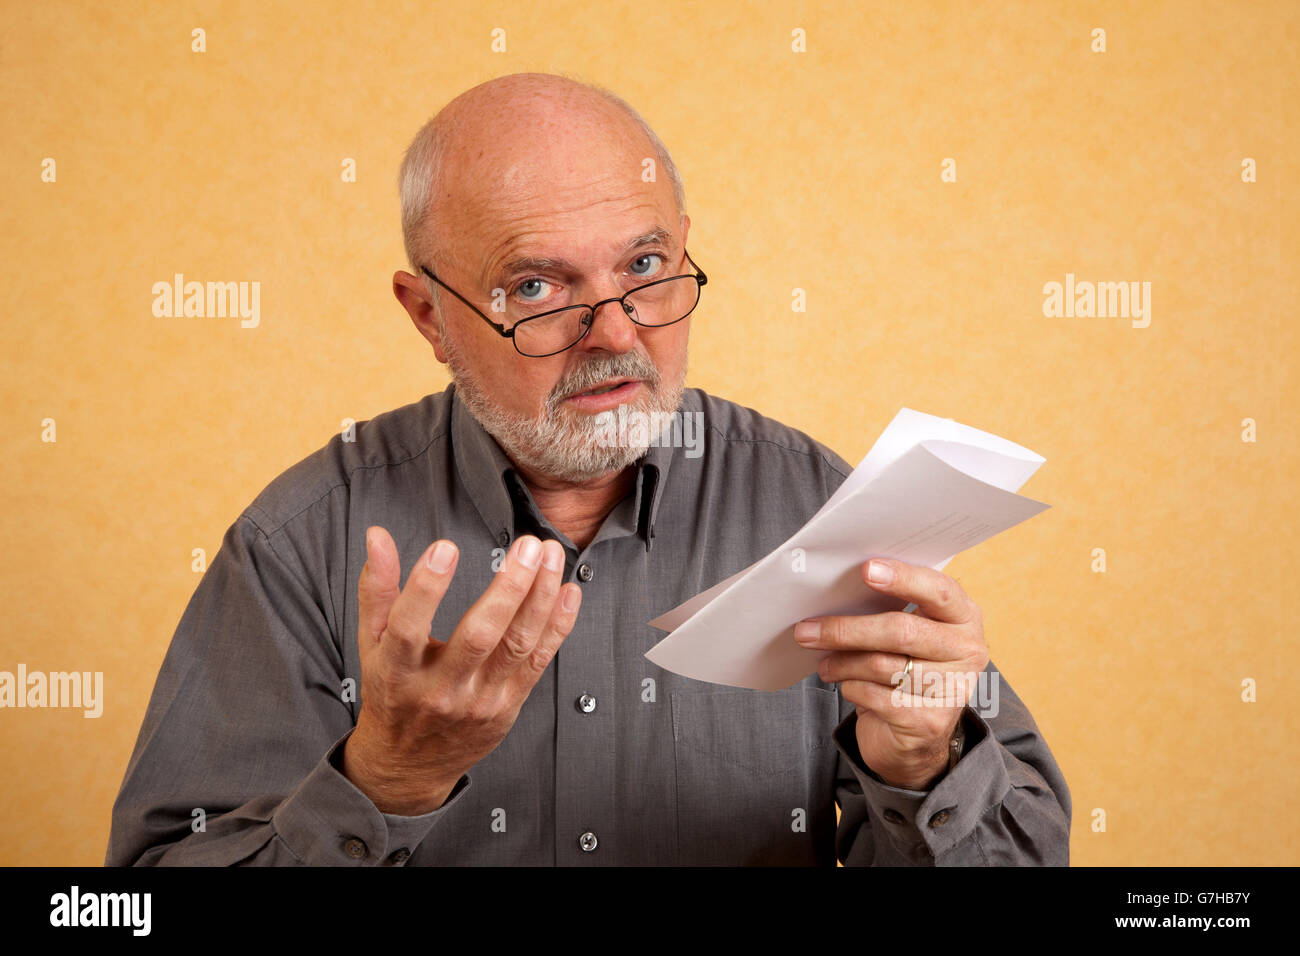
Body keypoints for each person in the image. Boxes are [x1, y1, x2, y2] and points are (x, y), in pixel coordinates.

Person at [107, 72, 1070, 866]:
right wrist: (385, 784)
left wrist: (921, 769)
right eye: (536, 286)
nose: (614, 335)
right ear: (428, 316)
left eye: (646, 267)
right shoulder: (300, 543)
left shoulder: (820, 507)